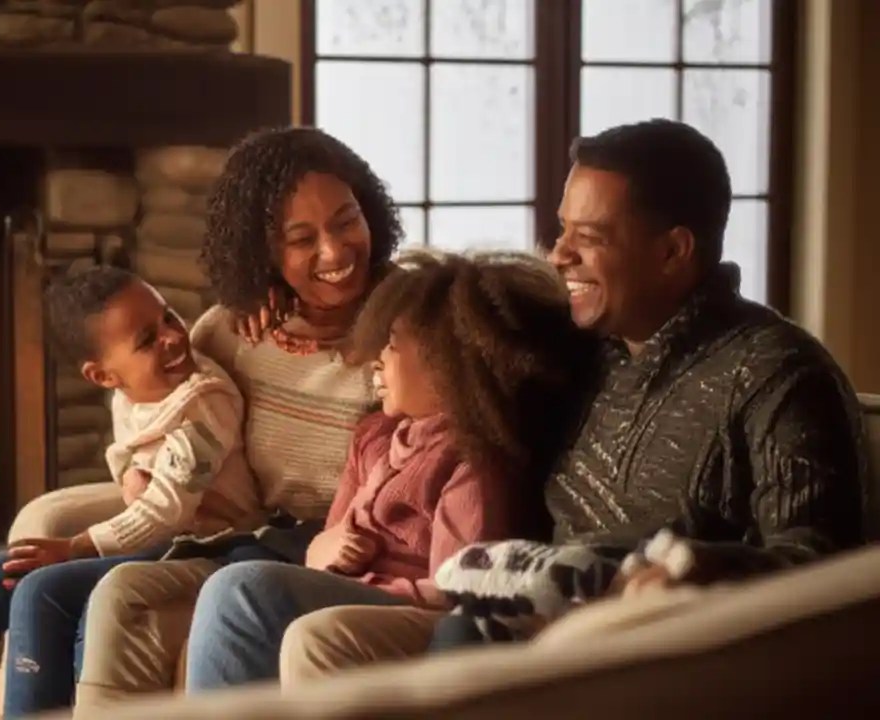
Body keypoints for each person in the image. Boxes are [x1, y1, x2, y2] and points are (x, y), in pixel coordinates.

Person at [275, 118, 870, 685]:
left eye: (589, 239)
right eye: (563, 230)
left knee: (458, 643)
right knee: (298, 621)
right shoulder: (583, 348)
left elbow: (821, 565)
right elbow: (442, 333)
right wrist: (281, 300)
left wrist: (692, 569)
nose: (560, 254)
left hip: (668, 642)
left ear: (673, 252)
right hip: (525, 609)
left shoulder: (778, 373)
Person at [71, 126, 403, 710]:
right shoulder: (234, 329)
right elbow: (164, 414)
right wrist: (131, 475)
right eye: (301, 239)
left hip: (344, 550)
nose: (335, 252)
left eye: (348, 220)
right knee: (113, 592)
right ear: (264, 253)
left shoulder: (412, 328)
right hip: (255, 539)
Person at [181, 249, 598, 691]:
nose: (377, 359)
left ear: (448, 368)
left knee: (244, 588)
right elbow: (332, 533)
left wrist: (367, 580)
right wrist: (322, 550)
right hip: (349, 589)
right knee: (236, 585)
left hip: (406, 606)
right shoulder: (376, 435)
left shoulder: (474, 461)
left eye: (393, 345)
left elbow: (457, 585)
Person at [0, 266, 262, 718]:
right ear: (104, 377)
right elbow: (124, 453)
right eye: (147, 340)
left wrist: (74, 546)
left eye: (167, 317)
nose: (172, 336)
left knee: (41, 587)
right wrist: (129, 477)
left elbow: (165, 511)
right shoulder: (135, 395)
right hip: (167, 538)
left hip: (215, 542)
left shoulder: (205, 403)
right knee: (0, 571)